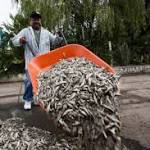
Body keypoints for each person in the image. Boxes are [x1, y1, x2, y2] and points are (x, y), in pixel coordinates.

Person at [12, 11, 63, 110]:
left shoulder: (46, 32)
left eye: (38, 19)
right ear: (30, 21)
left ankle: (37, 99)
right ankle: (27, 100)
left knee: (42, 82)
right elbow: (14, 40)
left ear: (40, 21)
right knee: (29, 82)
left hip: (44, 63)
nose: (36, 21)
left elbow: (54, 41)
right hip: (31, 63)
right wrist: (20, 40)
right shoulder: (25, 31)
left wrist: (59, 38)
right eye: (34, 19)